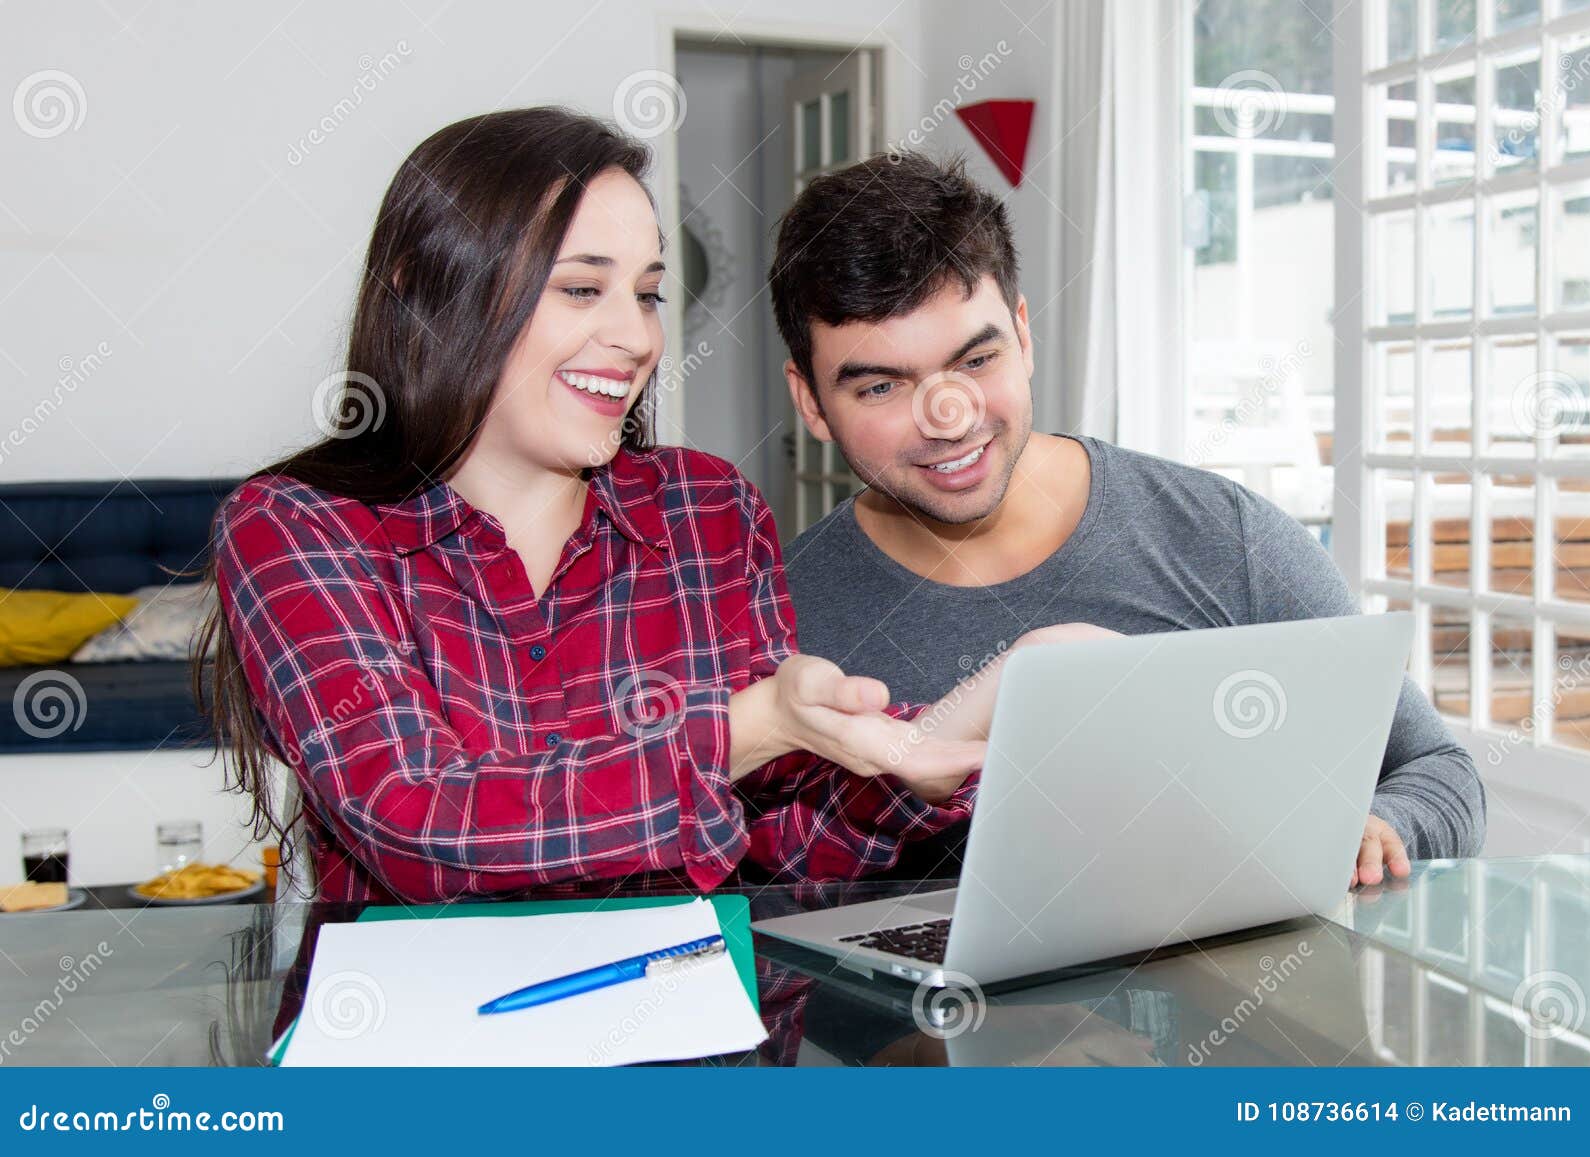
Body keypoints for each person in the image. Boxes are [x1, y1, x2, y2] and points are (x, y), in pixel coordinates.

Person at [196, 109, 1018, 904]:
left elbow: (781, 845)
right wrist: (752, 725)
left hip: (686, 1025)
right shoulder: (296, 527)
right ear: (425, 291)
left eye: (649, 293)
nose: (635, 337)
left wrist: (959, 721)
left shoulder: (707, 510)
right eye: (583, 288)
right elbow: (416, 821)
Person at [769, 152, 1486, 888]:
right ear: (812, 402)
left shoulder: (1220, 538)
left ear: (1023, 334)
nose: (949, 419)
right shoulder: (776, 612)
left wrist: (1376, 830)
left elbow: (1435, 769)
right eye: (883, 385)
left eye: (977, 360)